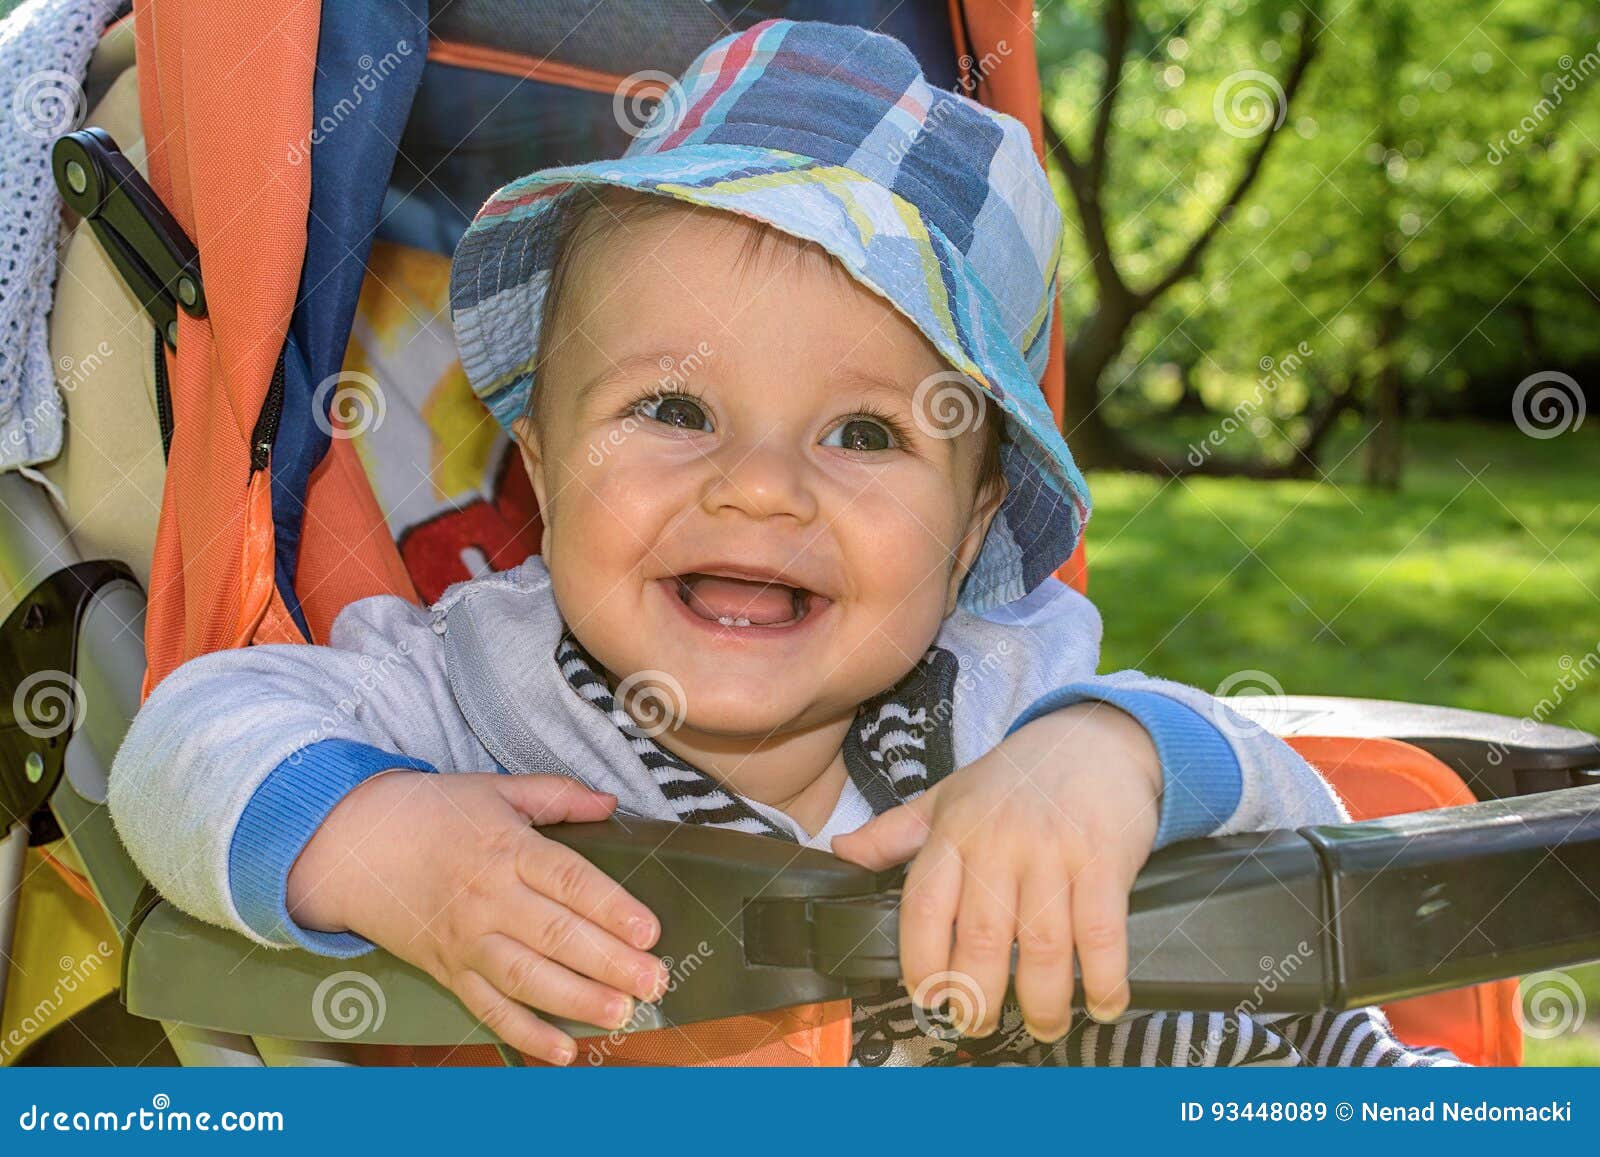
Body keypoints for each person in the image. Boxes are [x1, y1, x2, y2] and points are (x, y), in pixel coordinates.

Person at [109, 18, 1455, 1068]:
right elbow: (182, 739)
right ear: (539, 463)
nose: (760, 491)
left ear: (976, 514)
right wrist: (384, 838)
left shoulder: (1002, 692)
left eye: (864, 437)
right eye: (674, 409)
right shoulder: (467, 691)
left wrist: (1111, 761)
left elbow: (1301, 807)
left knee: (1222, 999)